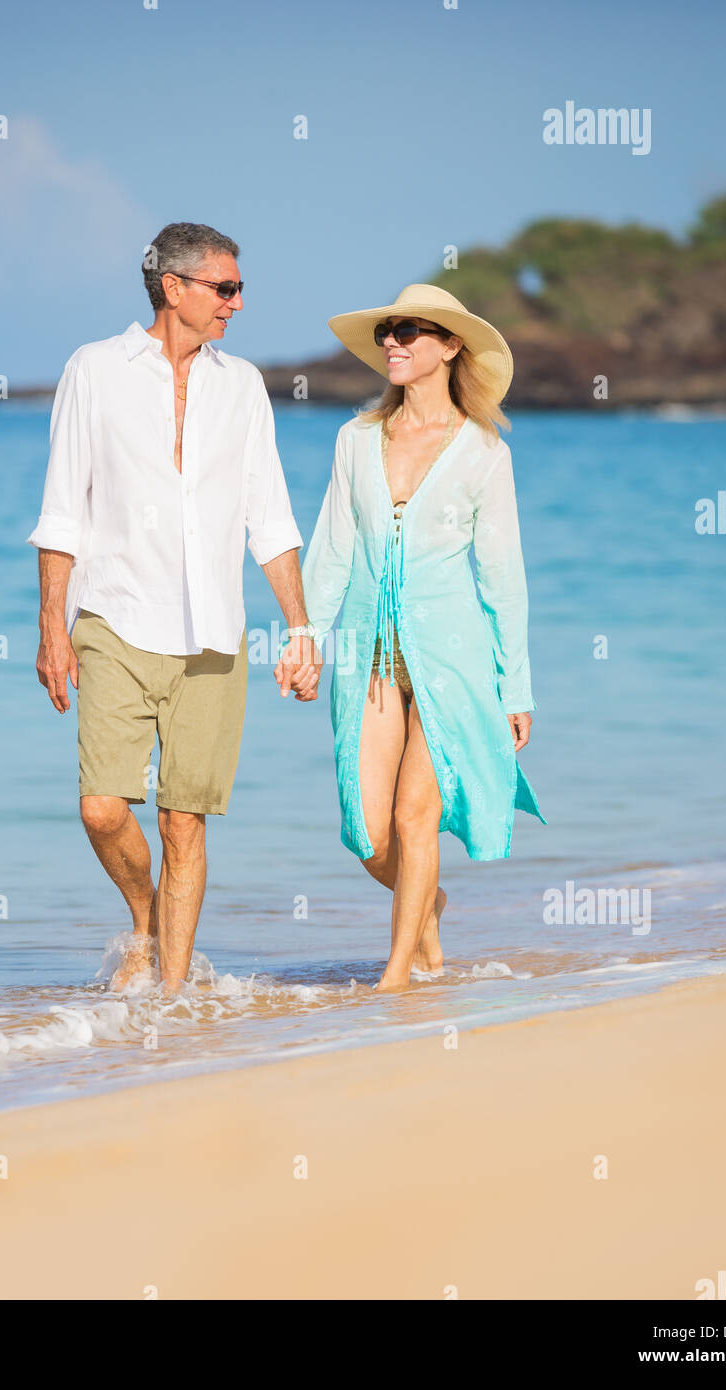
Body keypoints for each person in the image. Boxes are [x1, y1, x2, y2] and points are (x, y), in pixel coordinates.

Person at [29, 222, 320, 993]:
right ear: (174, 287)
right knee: (101, 808)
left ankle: (170, 1000)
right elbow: (61, 511)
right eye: (224, 288)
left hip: (214, 635)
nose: (236, 303)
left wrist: (299, 627)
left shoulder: (242, 385)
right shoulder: (94, 371)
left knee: (182, 820)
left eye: (238, 288)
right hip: (116, 619)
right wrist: (50, 628)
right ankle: (144, 917)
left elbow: (272, 517)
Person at [301, 283, 546, 992]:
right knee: (370, 834)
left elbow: (503, 578)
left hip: (453, 660)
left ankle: (397, 976)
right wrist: (305, 638)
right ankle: (426, 902)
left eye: (411, 331)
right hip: (366, 656)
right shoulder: (354, 440)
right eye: (387, 332)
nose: (393, 343)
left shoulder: (481, 452)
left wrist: (515, 686)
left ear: (449, 347)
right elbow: (332, 549)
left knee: (417, 817)